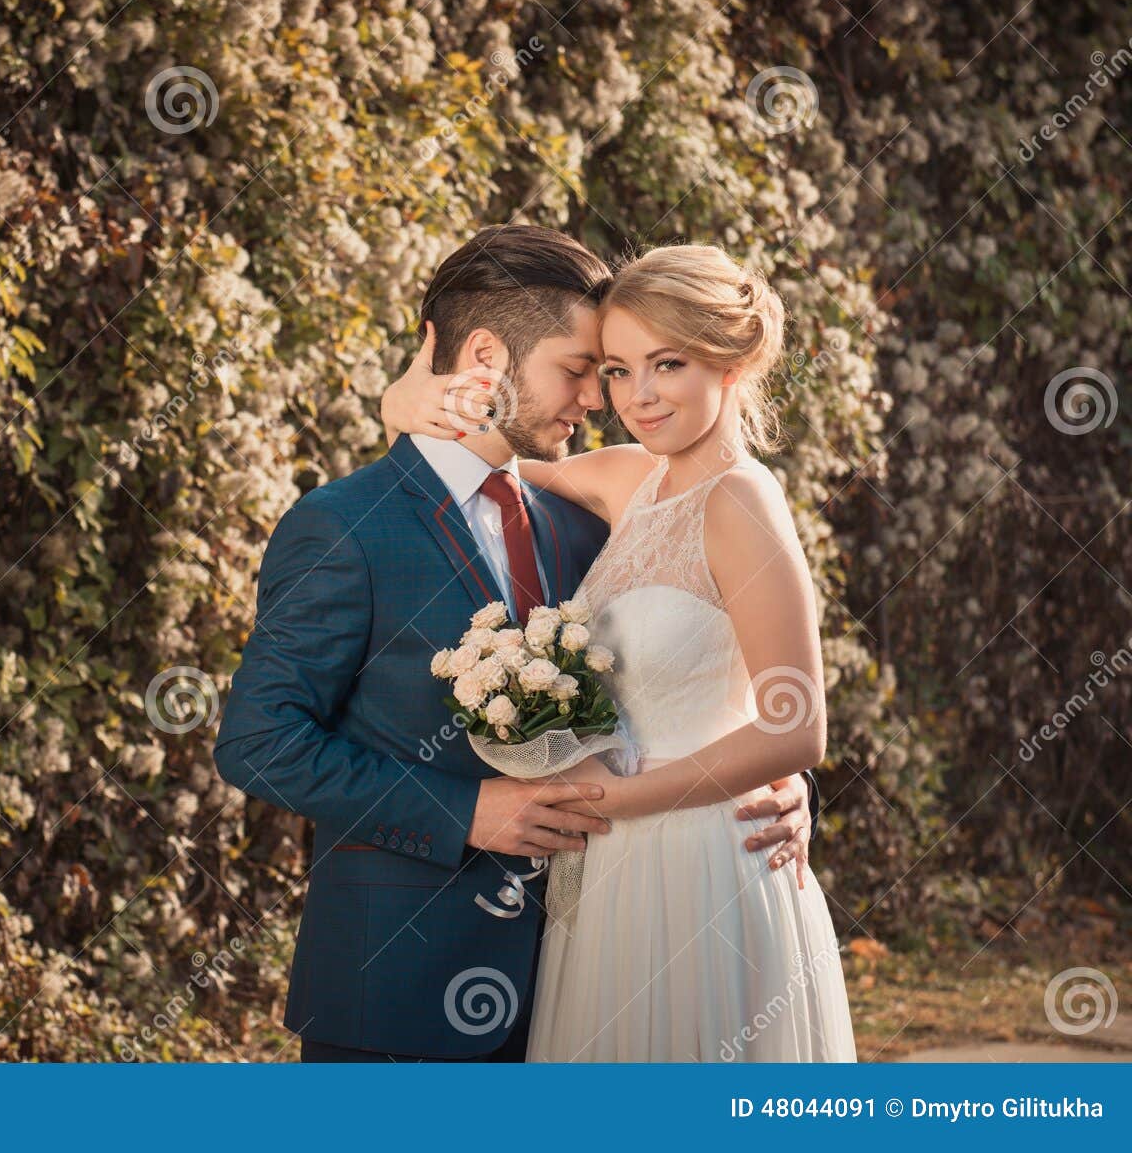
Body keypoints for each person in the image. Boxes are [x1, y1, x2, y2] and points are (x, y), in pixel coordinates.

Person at [215, 226, 819, 1061]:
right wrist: (465, 813)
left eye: (628, 368)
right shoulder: (345, 527)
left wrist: (775, 780)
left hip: (586, 958)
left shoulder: (584, 519)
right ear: (487, 356)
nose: (602, 399)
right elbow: (258, 741)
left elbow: (695, 671)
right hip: (399, 991)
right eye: (587, 368)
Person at [381, 242, 855, 1061]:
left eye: (668, 364)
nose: (638, 395)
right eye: (617, 369)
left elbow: (795, 727)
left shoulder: (743, 499)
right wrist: (396, 404)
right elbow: (472, 464)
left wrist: (613, 800)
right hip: (607, 862)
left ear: (730, 363)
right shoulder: (628, 476)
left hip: (699, 856)